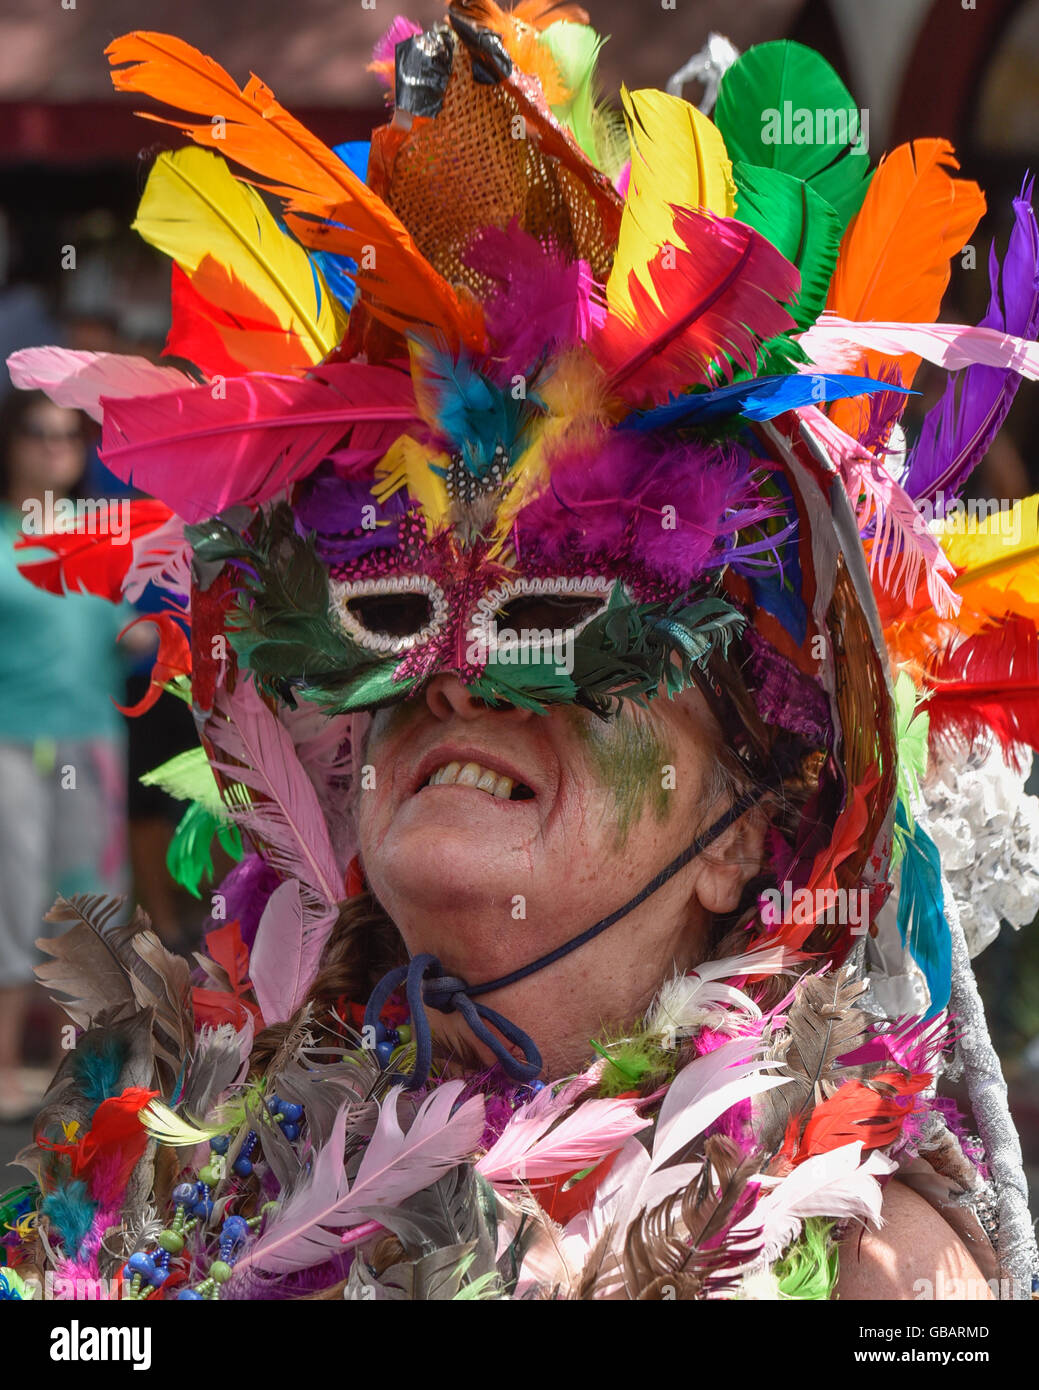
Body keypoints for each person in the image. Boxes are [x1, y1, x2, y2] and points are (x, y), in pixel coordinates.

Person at [1, 6, 1037, 1303]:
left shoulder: (878, 1269)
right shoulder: (191, 1184)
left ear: (741, 835)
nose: (448, 676)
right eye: (386, 615)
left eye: (553, 617)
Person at [0, 391, 129, 1120]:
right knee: (11, 895)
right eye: (37, 433)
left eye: (68, 435)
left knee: (86, 902)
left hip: (92, 736)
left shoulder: (101, 532)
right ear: (10, 441)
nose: (53, 447)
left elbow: (128, 632)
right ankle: (5, 1062)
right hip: (10, 736)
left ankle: (67, 1070)